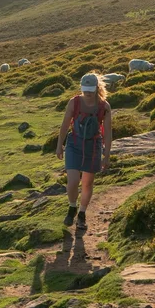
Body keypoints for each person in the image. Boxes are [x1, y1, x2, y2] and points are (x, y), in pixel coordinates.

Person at [56, 72, 112, 231]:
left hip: (93, 146)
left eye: (90, 89)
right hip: (74, 143)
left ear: (96, 88)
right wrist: (59, 145)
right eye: (85, 89)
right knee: (72, 180)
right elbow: (65, 124)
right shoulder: (74, 103)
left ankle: (82, 213)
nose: (87, 92)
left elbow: (108, 132)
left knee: (87, 182)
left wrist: (106, 155)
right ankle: (72, 207)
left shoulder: (104, 106)